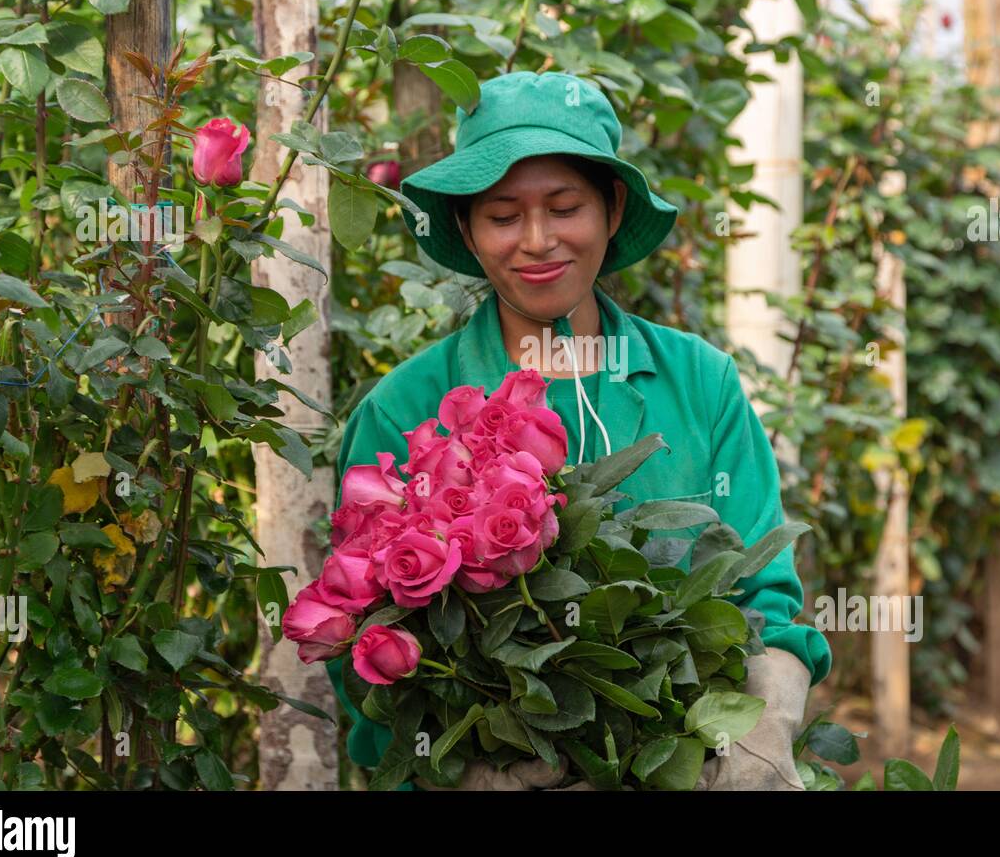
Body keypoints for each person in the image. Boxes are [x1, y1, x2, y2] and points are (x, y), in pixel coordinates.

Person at [325, 70, 832, 790]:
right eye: (502, 216)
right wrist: (465, 772)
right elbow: (364, 648)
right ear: (466, 230)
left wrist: (760, 731)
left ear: (613, 208)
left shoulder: (700, 385)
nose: (537, 241)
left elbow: (763, 601)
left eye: (565, 207)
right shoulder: (405, 406)